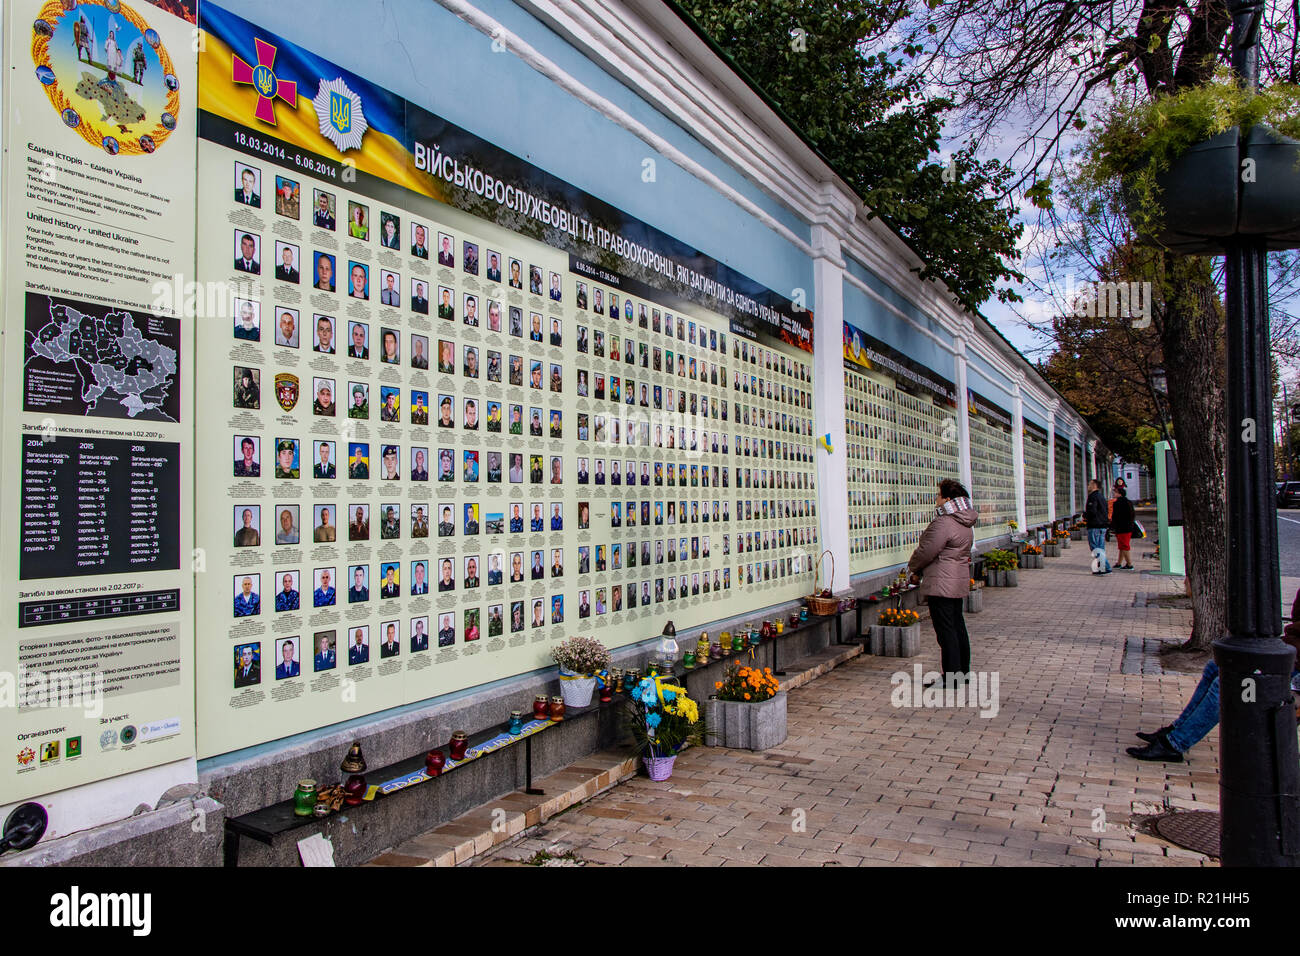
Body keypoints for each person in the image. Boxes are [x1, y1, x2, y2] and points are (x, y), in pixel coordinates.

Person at [1129, 588, 1300, 762]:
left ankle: (1174, 744)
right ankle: (1177, 730)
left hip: (1293, 663)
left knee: (1227, 683)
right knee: (1215, 668)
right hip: (1289, 653)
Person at [906, 479, 978, 687]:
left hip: (941, 582)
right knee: (957, 627)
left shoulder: (944, 522)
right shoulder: (965, 522)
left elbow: (927, 550)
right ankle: (962, 673)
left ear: (947, 499)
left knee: (946, 630)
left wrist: (913, 567)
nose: (936, 499)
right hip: (957, 580)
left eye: (939, 495)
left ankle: (951, 677)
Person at [1084, 479, 1112, 574]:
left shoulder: (1093, 497)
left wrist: (1086, 515)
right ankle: (1103, 568)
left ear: (1095, 486)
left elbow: (1092, 511)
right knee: (1100, 548)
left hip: (1095, 526)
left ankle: (1106, 567)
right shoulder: (1101, 497)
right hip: (1102, 526)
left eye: (1090, 484)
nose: (1088, 486)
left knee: (1095, 548)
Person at [1110, 483, 1137, 569]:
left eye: (1115, 492)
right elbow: (1132, 514)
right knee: (1122, 546)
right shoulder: (1129, 502)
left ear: (1119, 494)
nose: (1114, 494)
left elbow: (1115, 516)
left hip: (1121, 528)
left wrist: (1112, 526)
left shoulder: (1117, 503)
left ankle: (1129, 564)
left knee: (1124, 546)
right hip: (1128, 527)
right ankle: (1119, 563)